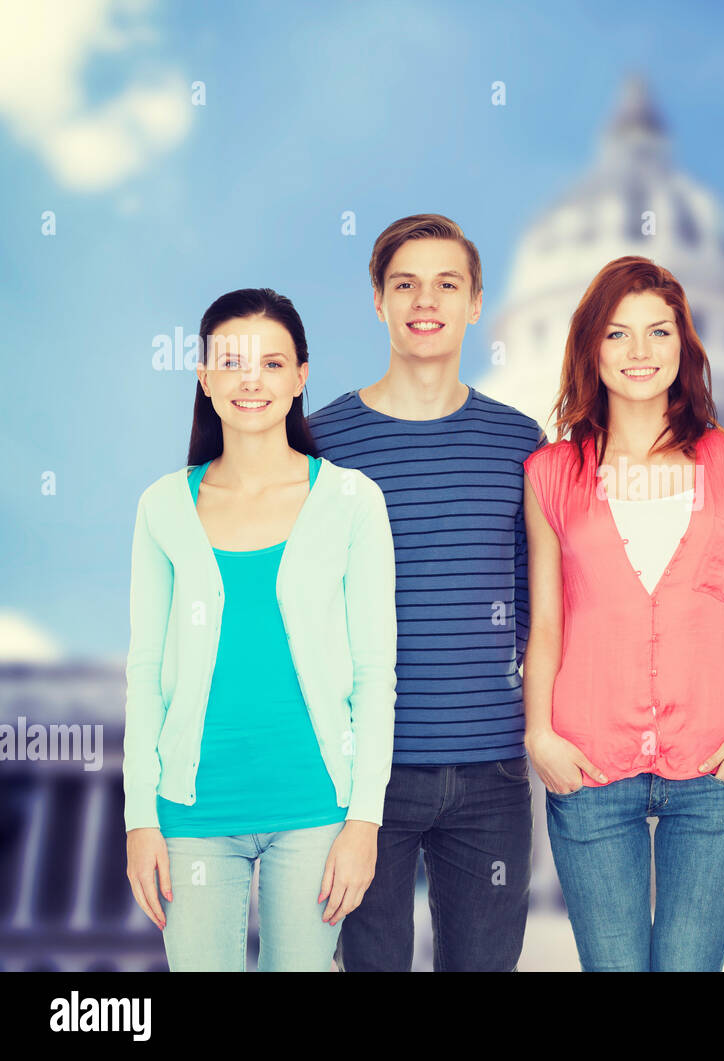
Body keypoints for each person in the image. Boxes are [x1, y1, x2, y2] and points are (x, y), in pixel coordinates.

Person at [123, 288, 397, 971]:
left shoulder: (352, 501)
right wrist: (139, 818)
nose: (252, 379)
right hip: (190, 814)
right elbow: (143, 671)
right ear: (204, 375)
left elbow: (374, 672)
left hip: (314, 810)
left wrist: (364, 821)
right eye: (232, 362)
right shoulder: (162, 506)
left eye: (273, 363)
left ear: (301, 376)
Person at [522, 255, 724, 972]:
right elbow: (548, 621)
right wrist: (539, 733)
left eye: (658, 332)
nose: (639, 353)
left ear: (684, 344)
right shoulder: (551, 472)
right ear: (590, 350)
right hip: (589, 761)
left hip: (713, 761)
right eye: (617, 334)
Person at [307, 214, 545, 972]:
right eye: (405, 283)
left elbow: (534, 603)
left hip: (493, 776)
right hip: (361, 780)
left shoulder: (519, 440)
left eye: (447, 283)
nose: (425, 300)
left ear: (477, 302)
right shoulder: (321, 442)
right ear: (378, 300)